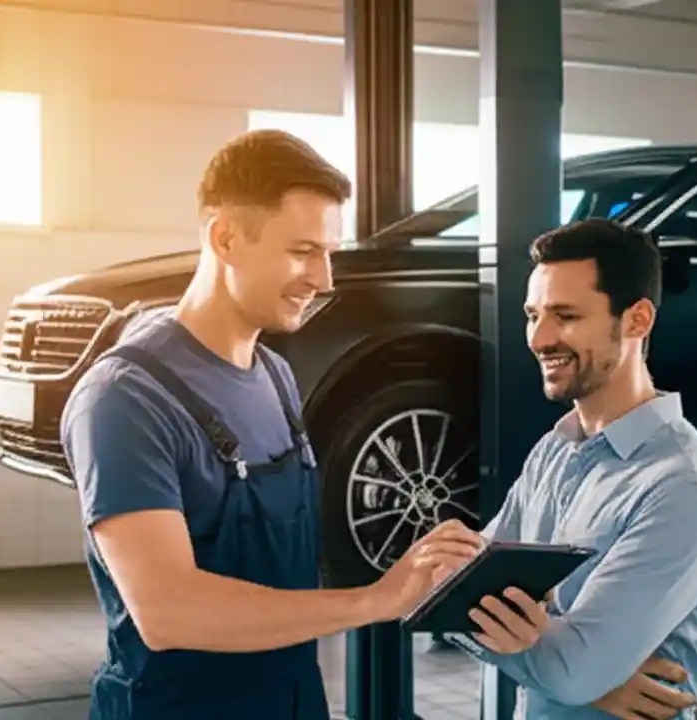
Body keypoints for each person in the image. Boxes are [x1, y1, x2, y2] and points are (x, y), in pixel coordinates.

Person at [60, 129, 483, 719]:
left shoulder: (277, 377)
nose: (325, 278)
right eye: (303, 251)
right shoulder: (125, 400)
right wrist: (373, 601)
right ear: (226, 238)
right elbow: (166, 611)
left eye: (328, 252)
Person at [450, 218, 697, 719]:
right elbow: (450, 604)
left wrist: (575, 671)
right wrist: (593, 682)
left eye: (565, 315)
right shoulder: (554, 452)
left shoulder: (683, 486)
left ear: (637, 320)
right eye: (532, 314)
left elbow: (574, 670)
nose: (539, 338)